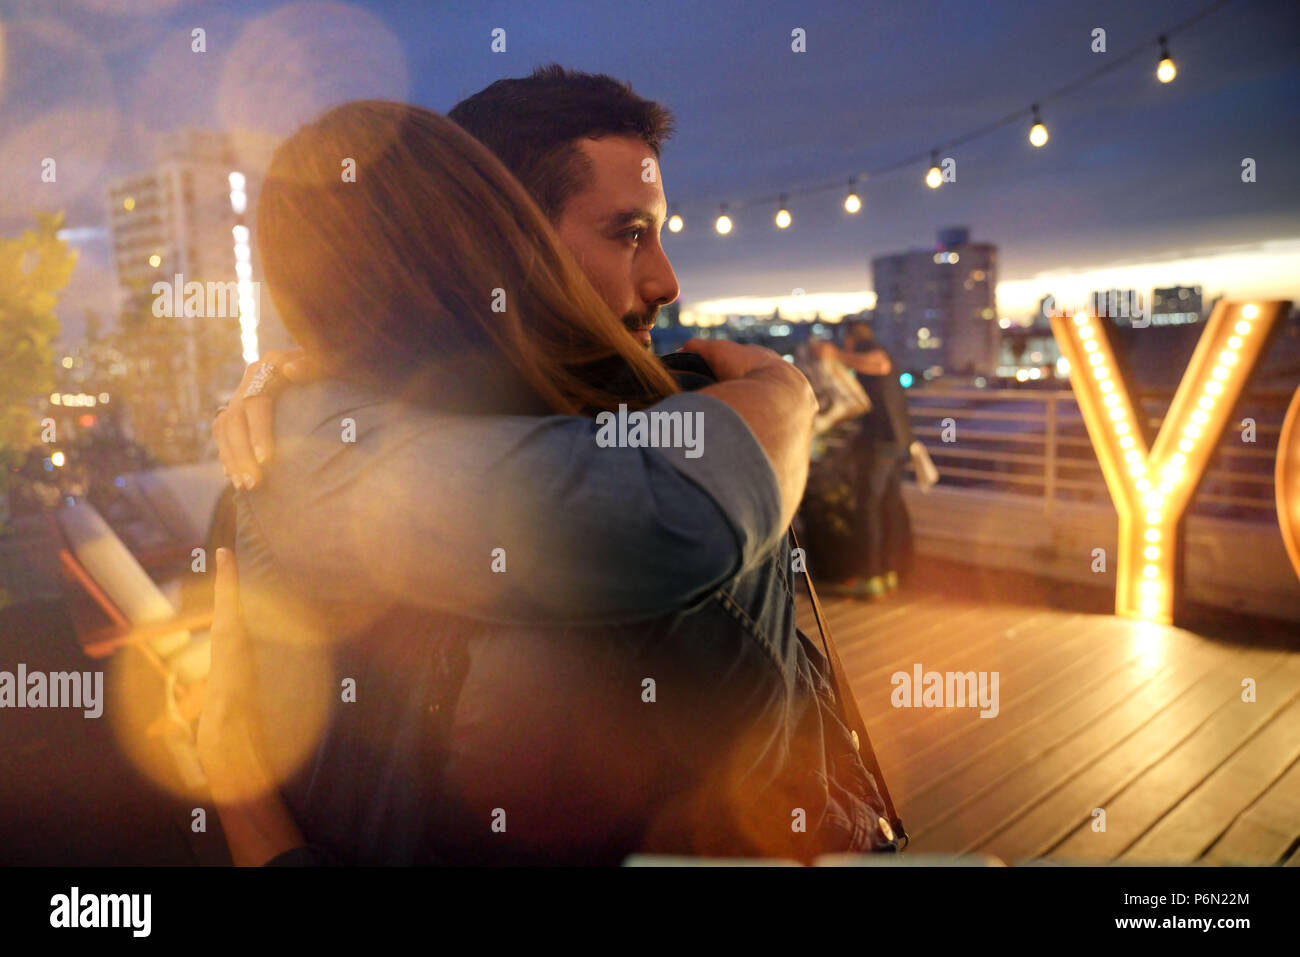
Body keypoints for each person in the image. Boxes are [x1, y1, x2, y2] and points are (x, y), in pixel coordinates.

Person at [201, 94, 899, 865]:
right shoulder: (642, 455)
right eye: (628, 234)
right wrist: (781, 392)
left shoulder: (297, 472)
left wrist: (245, 805)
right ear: (506, 245)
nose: (668, 281)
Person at [818, 321, 915, 598]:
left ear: (850, 339)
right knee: (889, 507)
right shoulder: (875, 351)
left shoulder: (870, 350)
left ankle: (871, 576)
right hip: (898, 441)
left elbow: (879, 364)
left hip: (879, 443)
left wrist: (835, 356)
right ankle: (888, 573)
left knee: (868, 508)